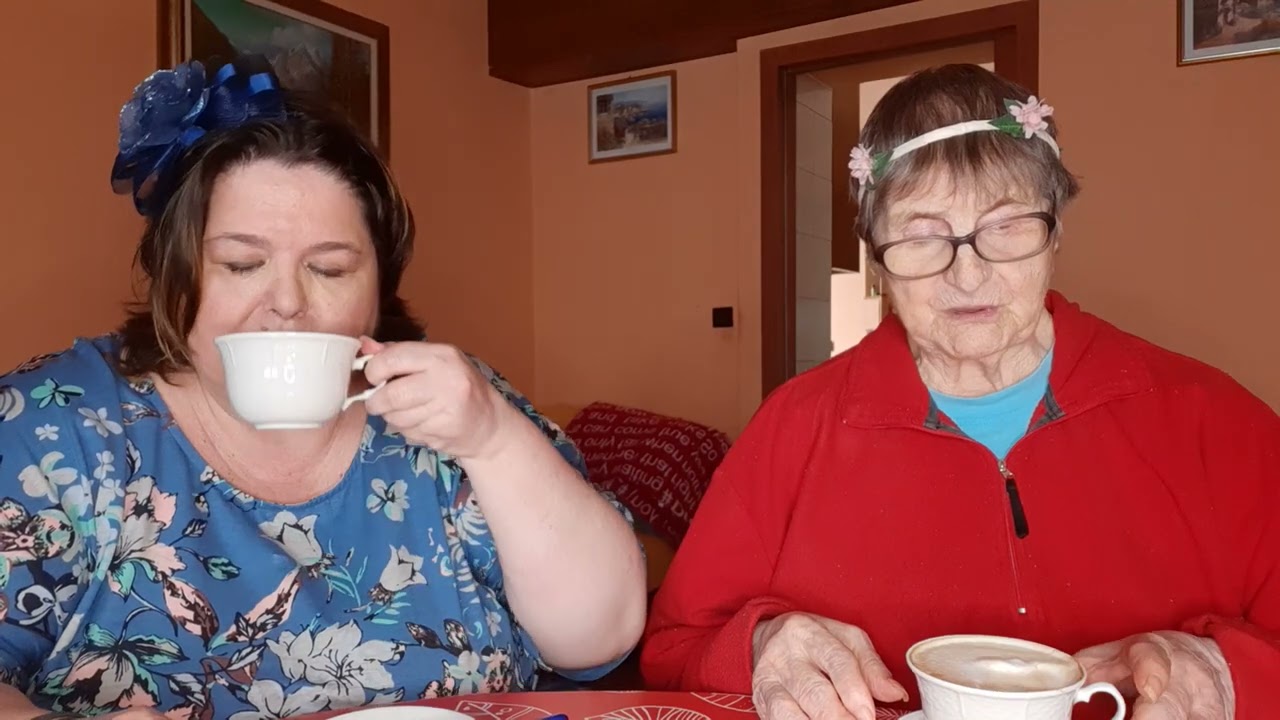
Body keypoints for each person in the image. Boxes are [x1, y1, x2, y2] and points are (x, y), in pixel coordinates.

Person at [0, 56, 645, 720]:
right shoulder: (52, 429)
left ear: (378, 293)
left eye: (331, 269)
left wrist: (495, 441)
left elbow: (597, 639)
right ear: (174, 277)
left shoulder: (451, 403)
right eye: (242, 263)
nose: (287, 302)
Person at [640, 64, 1278, 720]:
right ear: (876, 256)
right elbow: (672, 648)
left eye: (1005, 226)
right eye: (922, 235)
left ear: (1054, 233)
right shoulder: (792, 428)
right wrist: (763, 643)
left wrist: (1228, 675)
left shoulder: (1212, 419)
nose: (967, 273)